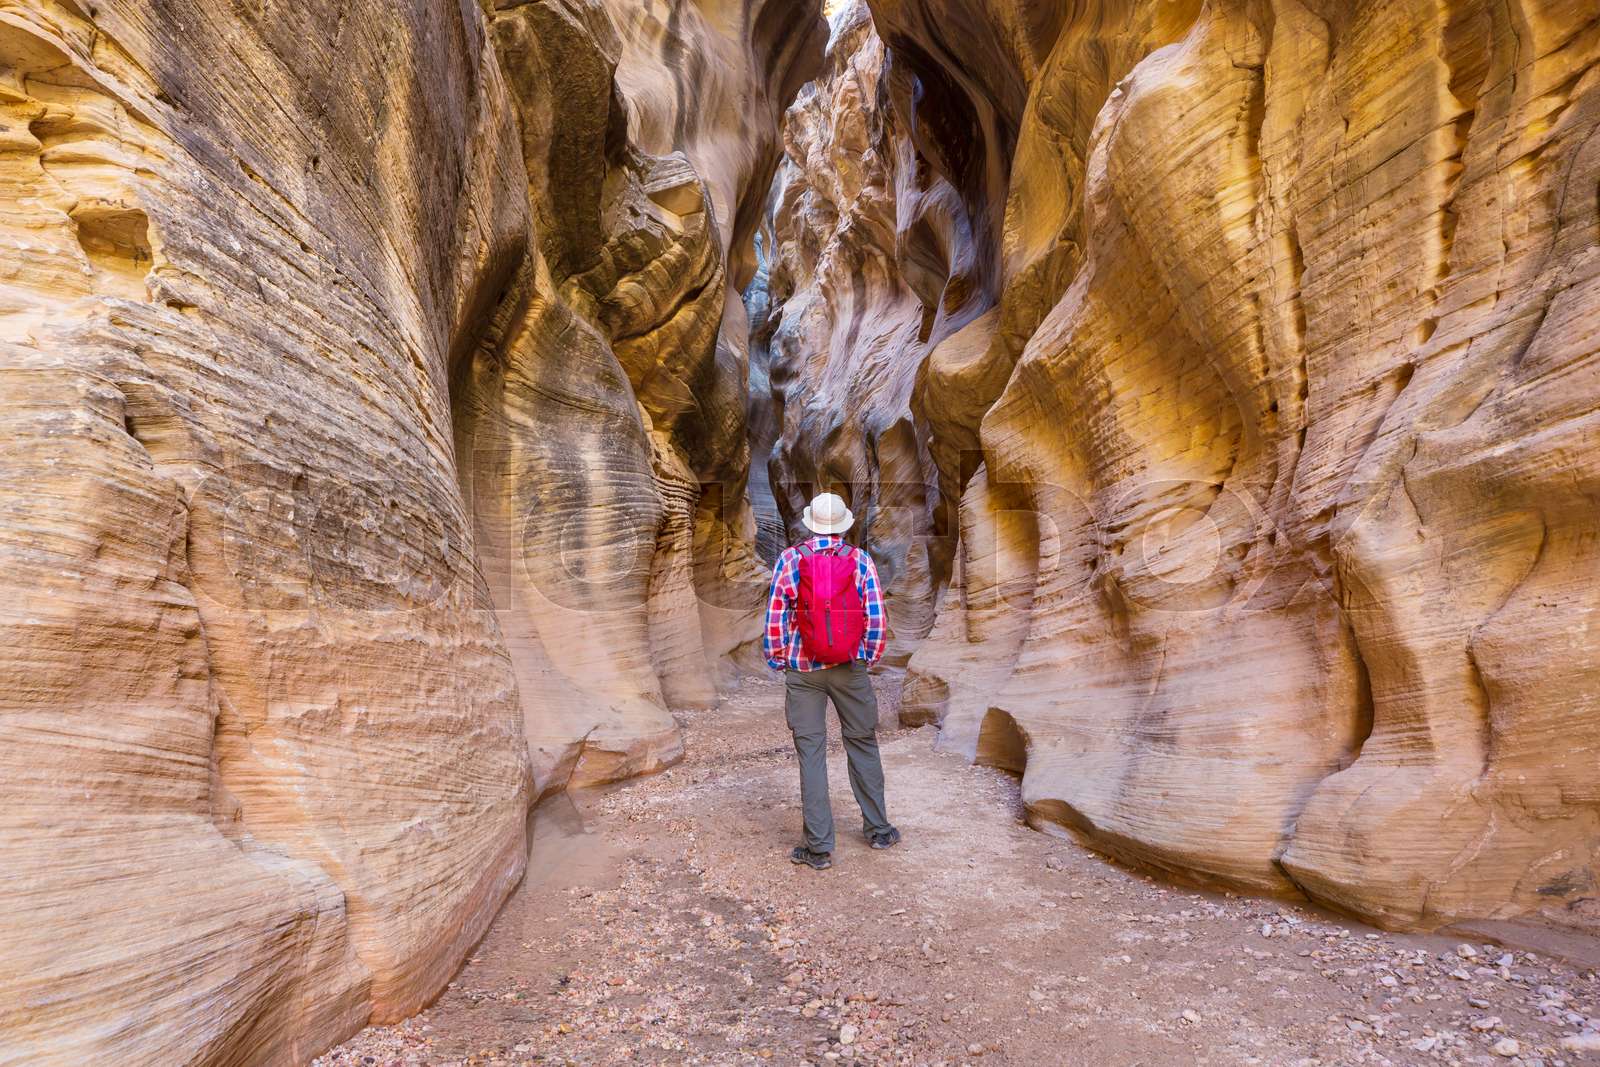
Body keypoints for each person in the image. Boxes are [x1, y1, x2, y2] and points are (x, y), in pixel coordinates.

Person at [763, 491, 901, 870]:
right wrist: (866, 657)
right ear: (843, 525)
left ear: (809, 524)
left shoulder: (791, 559)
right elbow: (875, 615)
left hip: (803, 671)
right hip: (849, 668)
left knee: (811, 752)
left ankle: (818, 847)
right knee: (862, 743)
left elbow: (776, 613)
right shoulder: (859, 561)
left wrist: (779, 658)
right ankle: (878, 829)